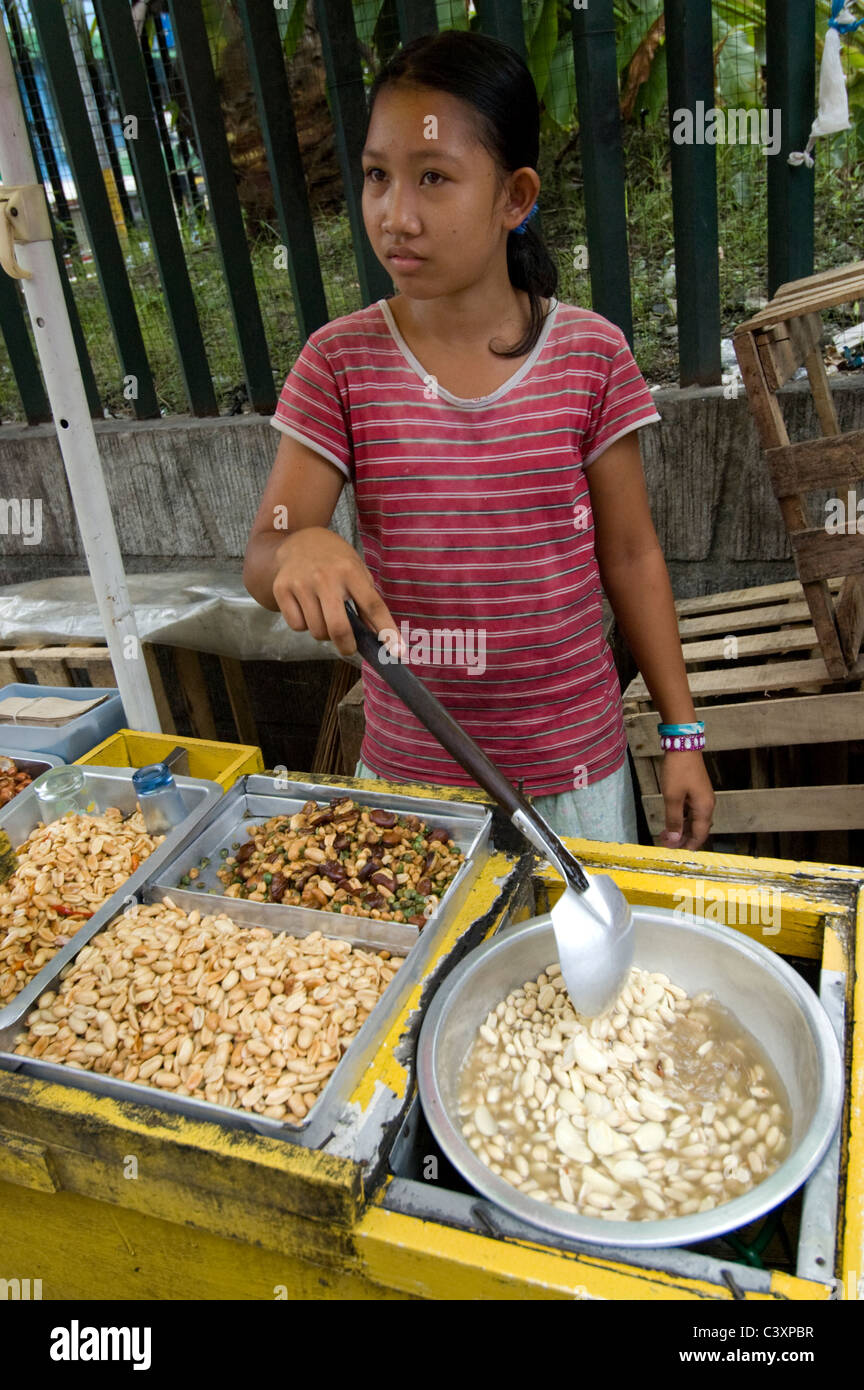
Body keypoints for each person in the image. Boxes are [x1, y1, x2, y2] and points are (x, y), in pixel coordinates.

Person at [244, 29, 715, 851]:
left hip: (574, 774)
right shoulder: (340, 364)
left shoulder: (589, 357)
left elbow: (632, 554)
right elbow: (264, 551)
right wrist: (301, 548)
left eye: (433, 179)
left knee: (568, 977)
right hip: (413, 789)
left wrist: (681, 737)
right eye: (378, 177)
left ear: (514, 196)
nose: (397, 214)